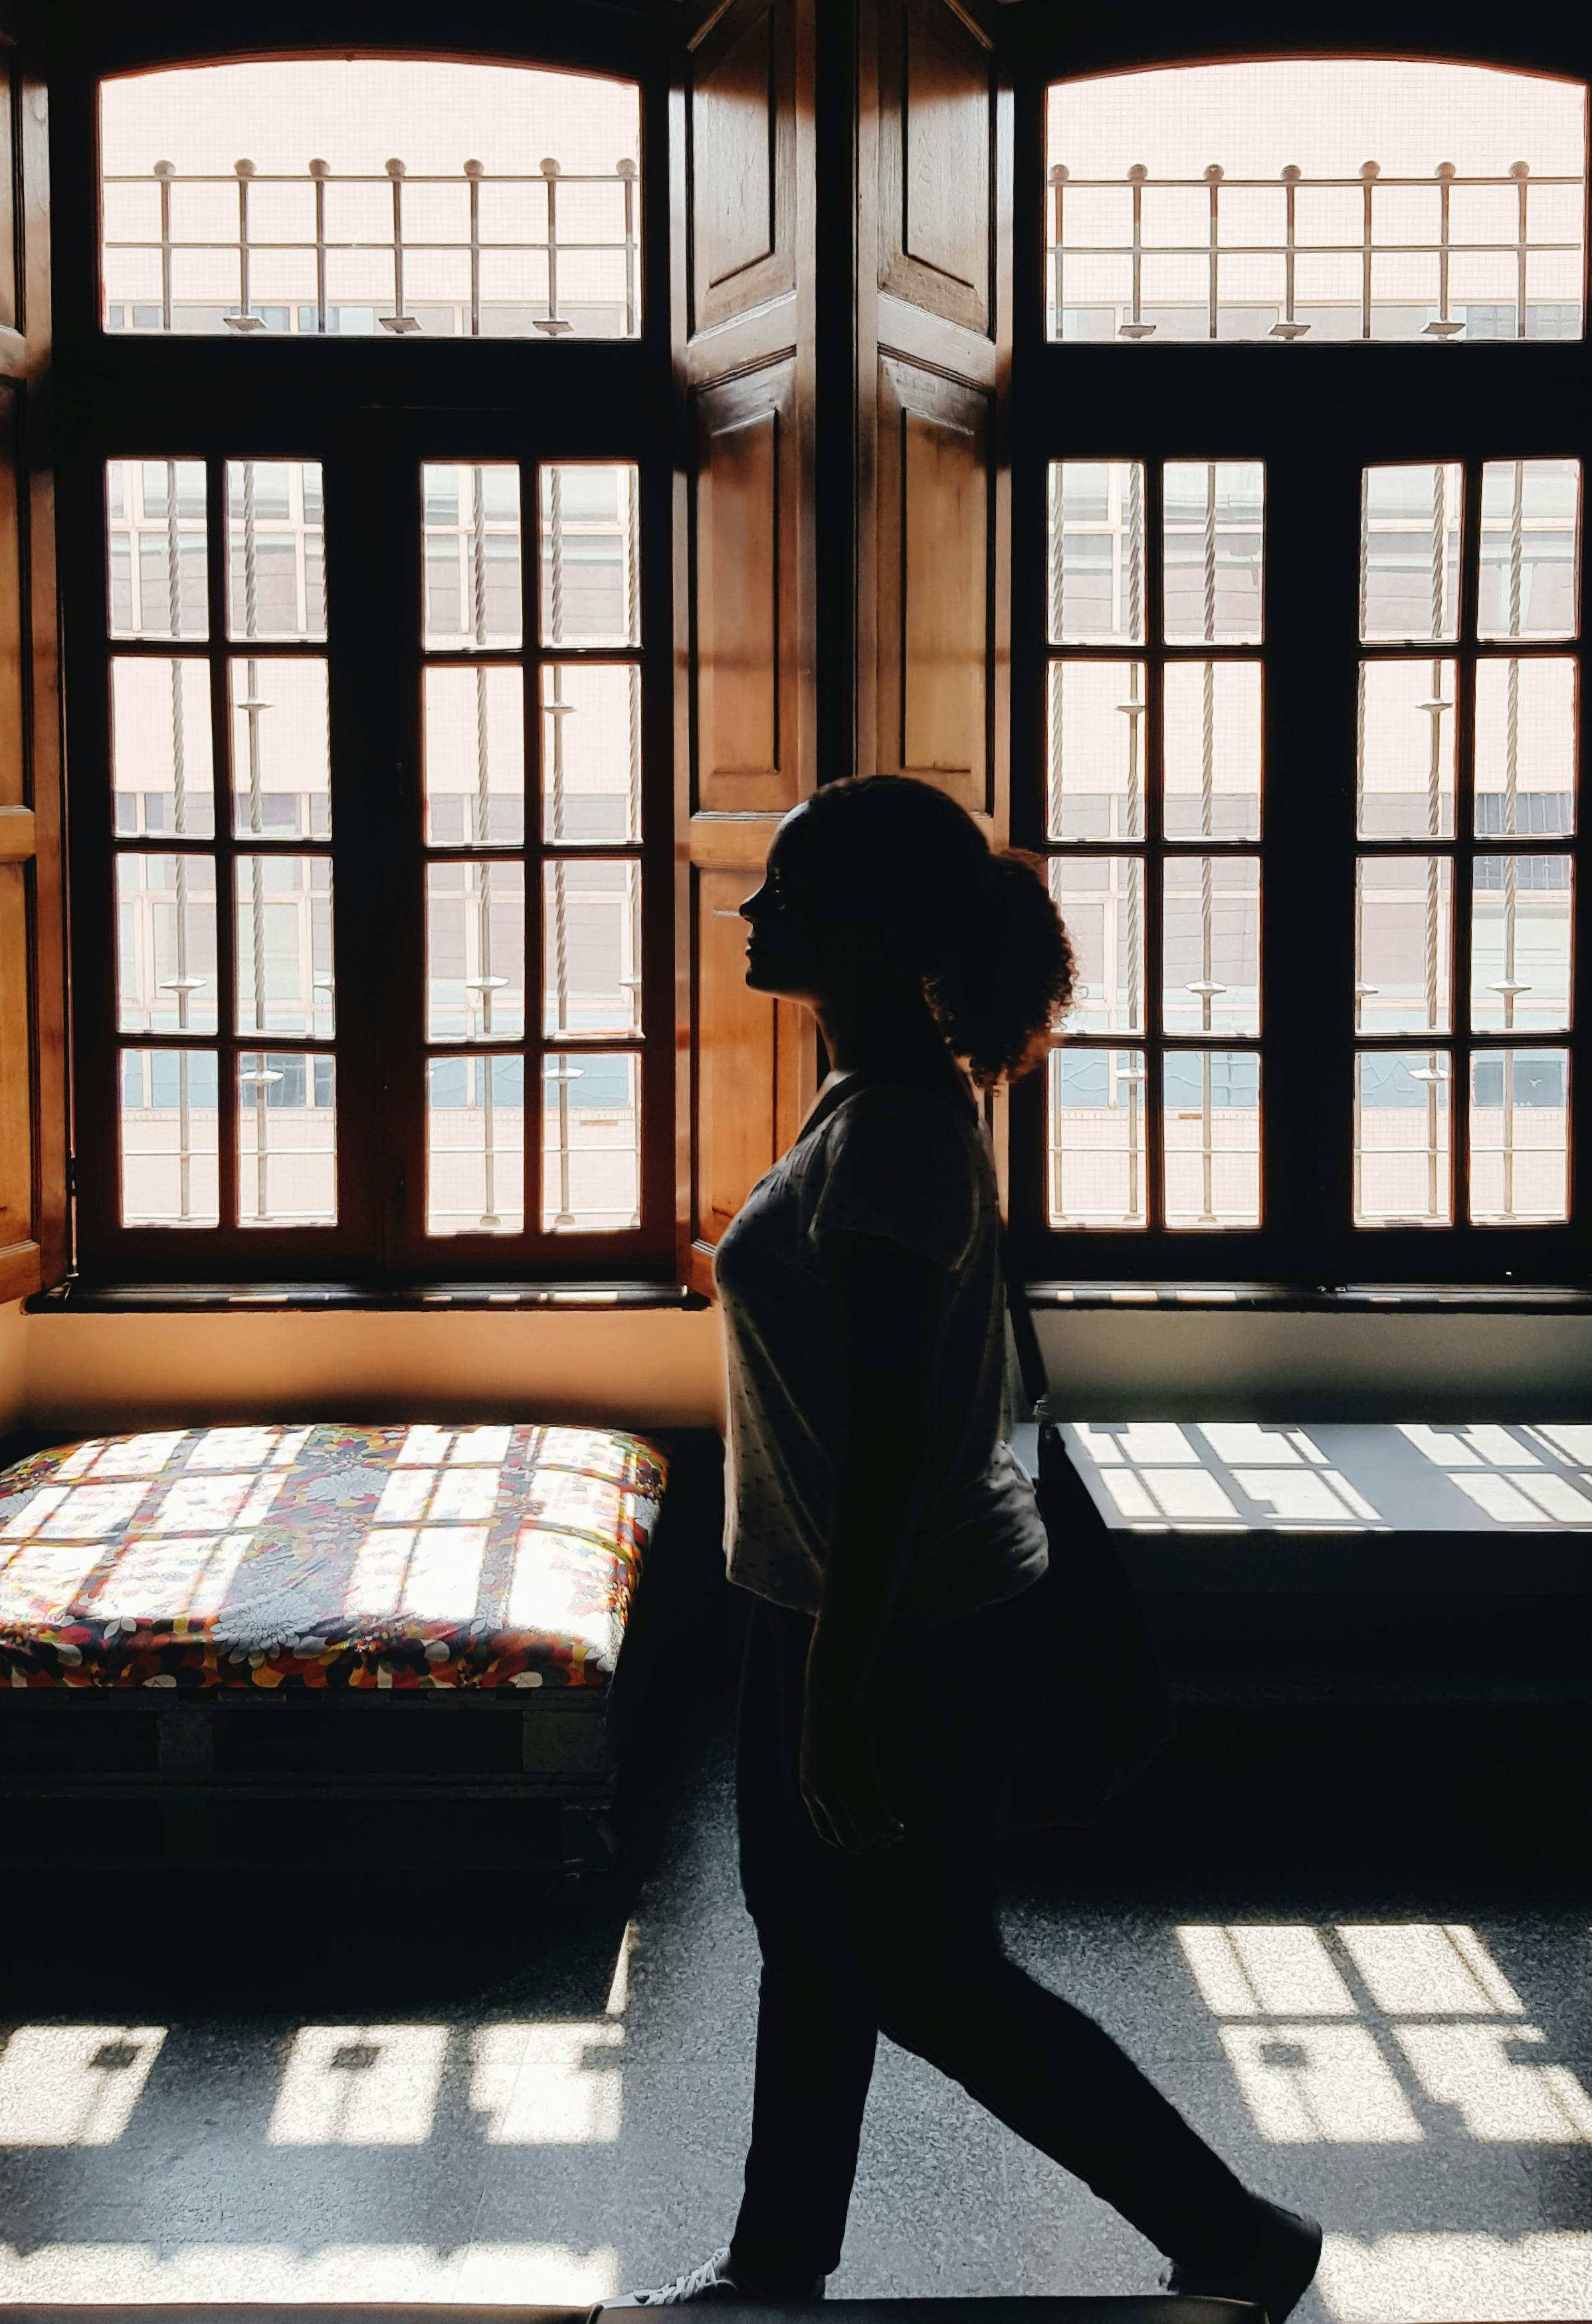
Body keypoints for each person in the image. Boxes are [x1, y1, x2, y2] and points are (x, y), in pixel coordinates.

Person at [623, 775, 1320, 2317]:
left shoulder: (895, 1136)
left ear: (878, 931)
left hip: (903, 1625)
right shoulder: (866, 1099)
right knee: (815, 1945)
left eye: (791, 892)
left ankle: (1231, 2234)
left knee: (927, 1974)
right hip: (822, 1604)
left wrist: (838, 1688)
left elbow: (888, 1452)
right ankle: (775, 2264)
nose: (751, 910)